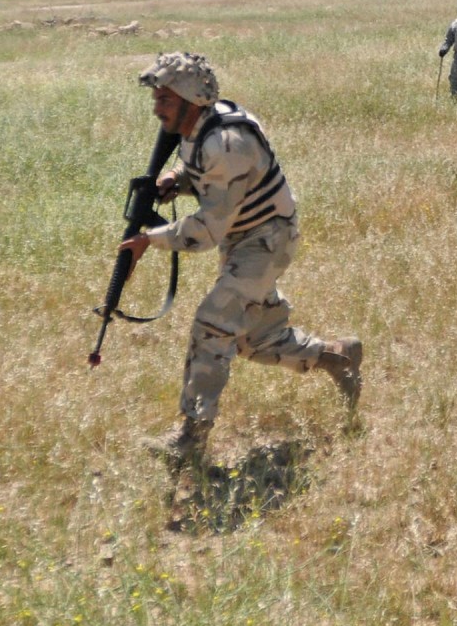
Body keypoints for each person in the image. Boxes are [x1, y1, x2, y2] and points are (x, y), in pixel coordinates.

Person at [118, 52, 364, 473]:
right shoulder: (199, 126)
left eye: (165, 99)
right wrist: (176, 179)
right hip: (245, 239)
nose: (157, 107)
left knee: (213, 324)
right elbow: (200, 170)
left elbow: (206, 230)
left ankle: (191, 437)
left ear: (191, 100)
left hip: (266, 241)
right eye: (156, 97)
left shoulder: (227, 143)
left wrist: (149, 240)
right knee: (252, 340)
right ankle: (337, 356)